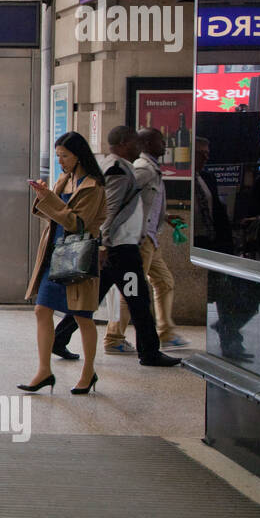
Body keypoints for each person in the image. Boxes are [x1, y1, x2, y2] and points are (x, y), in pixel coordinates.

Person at [52, 126, 180, 368]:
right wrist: (103, 244)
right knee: (138, 300)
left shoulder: (121, 167)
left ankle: (59, 339)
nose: (140, 147)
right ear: (124, 144)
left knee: (96, 298)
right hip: (120, 250)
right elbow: (109, 209)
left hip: (119, 249)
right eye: (135, 142)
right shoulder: (117, 170)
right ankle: (149, 353)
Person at [20, 131, 106, 396]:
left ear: (79, 156)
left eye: (65, 156)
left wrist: (48, 198)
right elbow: (52, 214)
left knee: (82, 316)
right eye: (58, 156)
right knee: (41, 310)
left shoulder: (93, 186)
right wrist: (44, 195)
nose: (60, 162)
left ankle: (88, 371)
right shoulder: (64, 180)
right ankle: (43, 370)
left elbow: (76, 223)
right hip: (55, 253)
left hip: (78, 257)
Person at [102, 127, 187, 353]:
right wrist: (105, 240)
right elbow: (119, 202)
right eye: (160, 141)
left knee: (164, 282)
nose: (165, 145)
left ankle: (166, 333)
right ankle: (114, 338)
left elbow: (142, 201)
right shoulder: (140, 169)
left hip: (149, 237)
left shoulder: (149, 168)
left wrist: (165, 217)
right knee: (130, 293)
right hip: (137, 240)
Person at [195, 135, 260, 359]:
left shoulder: (207, 178)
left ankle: (229, 335)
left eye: (207, 154)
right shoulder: (183, 180)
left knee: (232, 294)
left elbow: (218, 211)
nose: (206, 158)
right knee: (224, 294)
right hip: (196, 245)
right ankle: (229, 336)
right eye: (201, 154)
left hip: (214, 244)